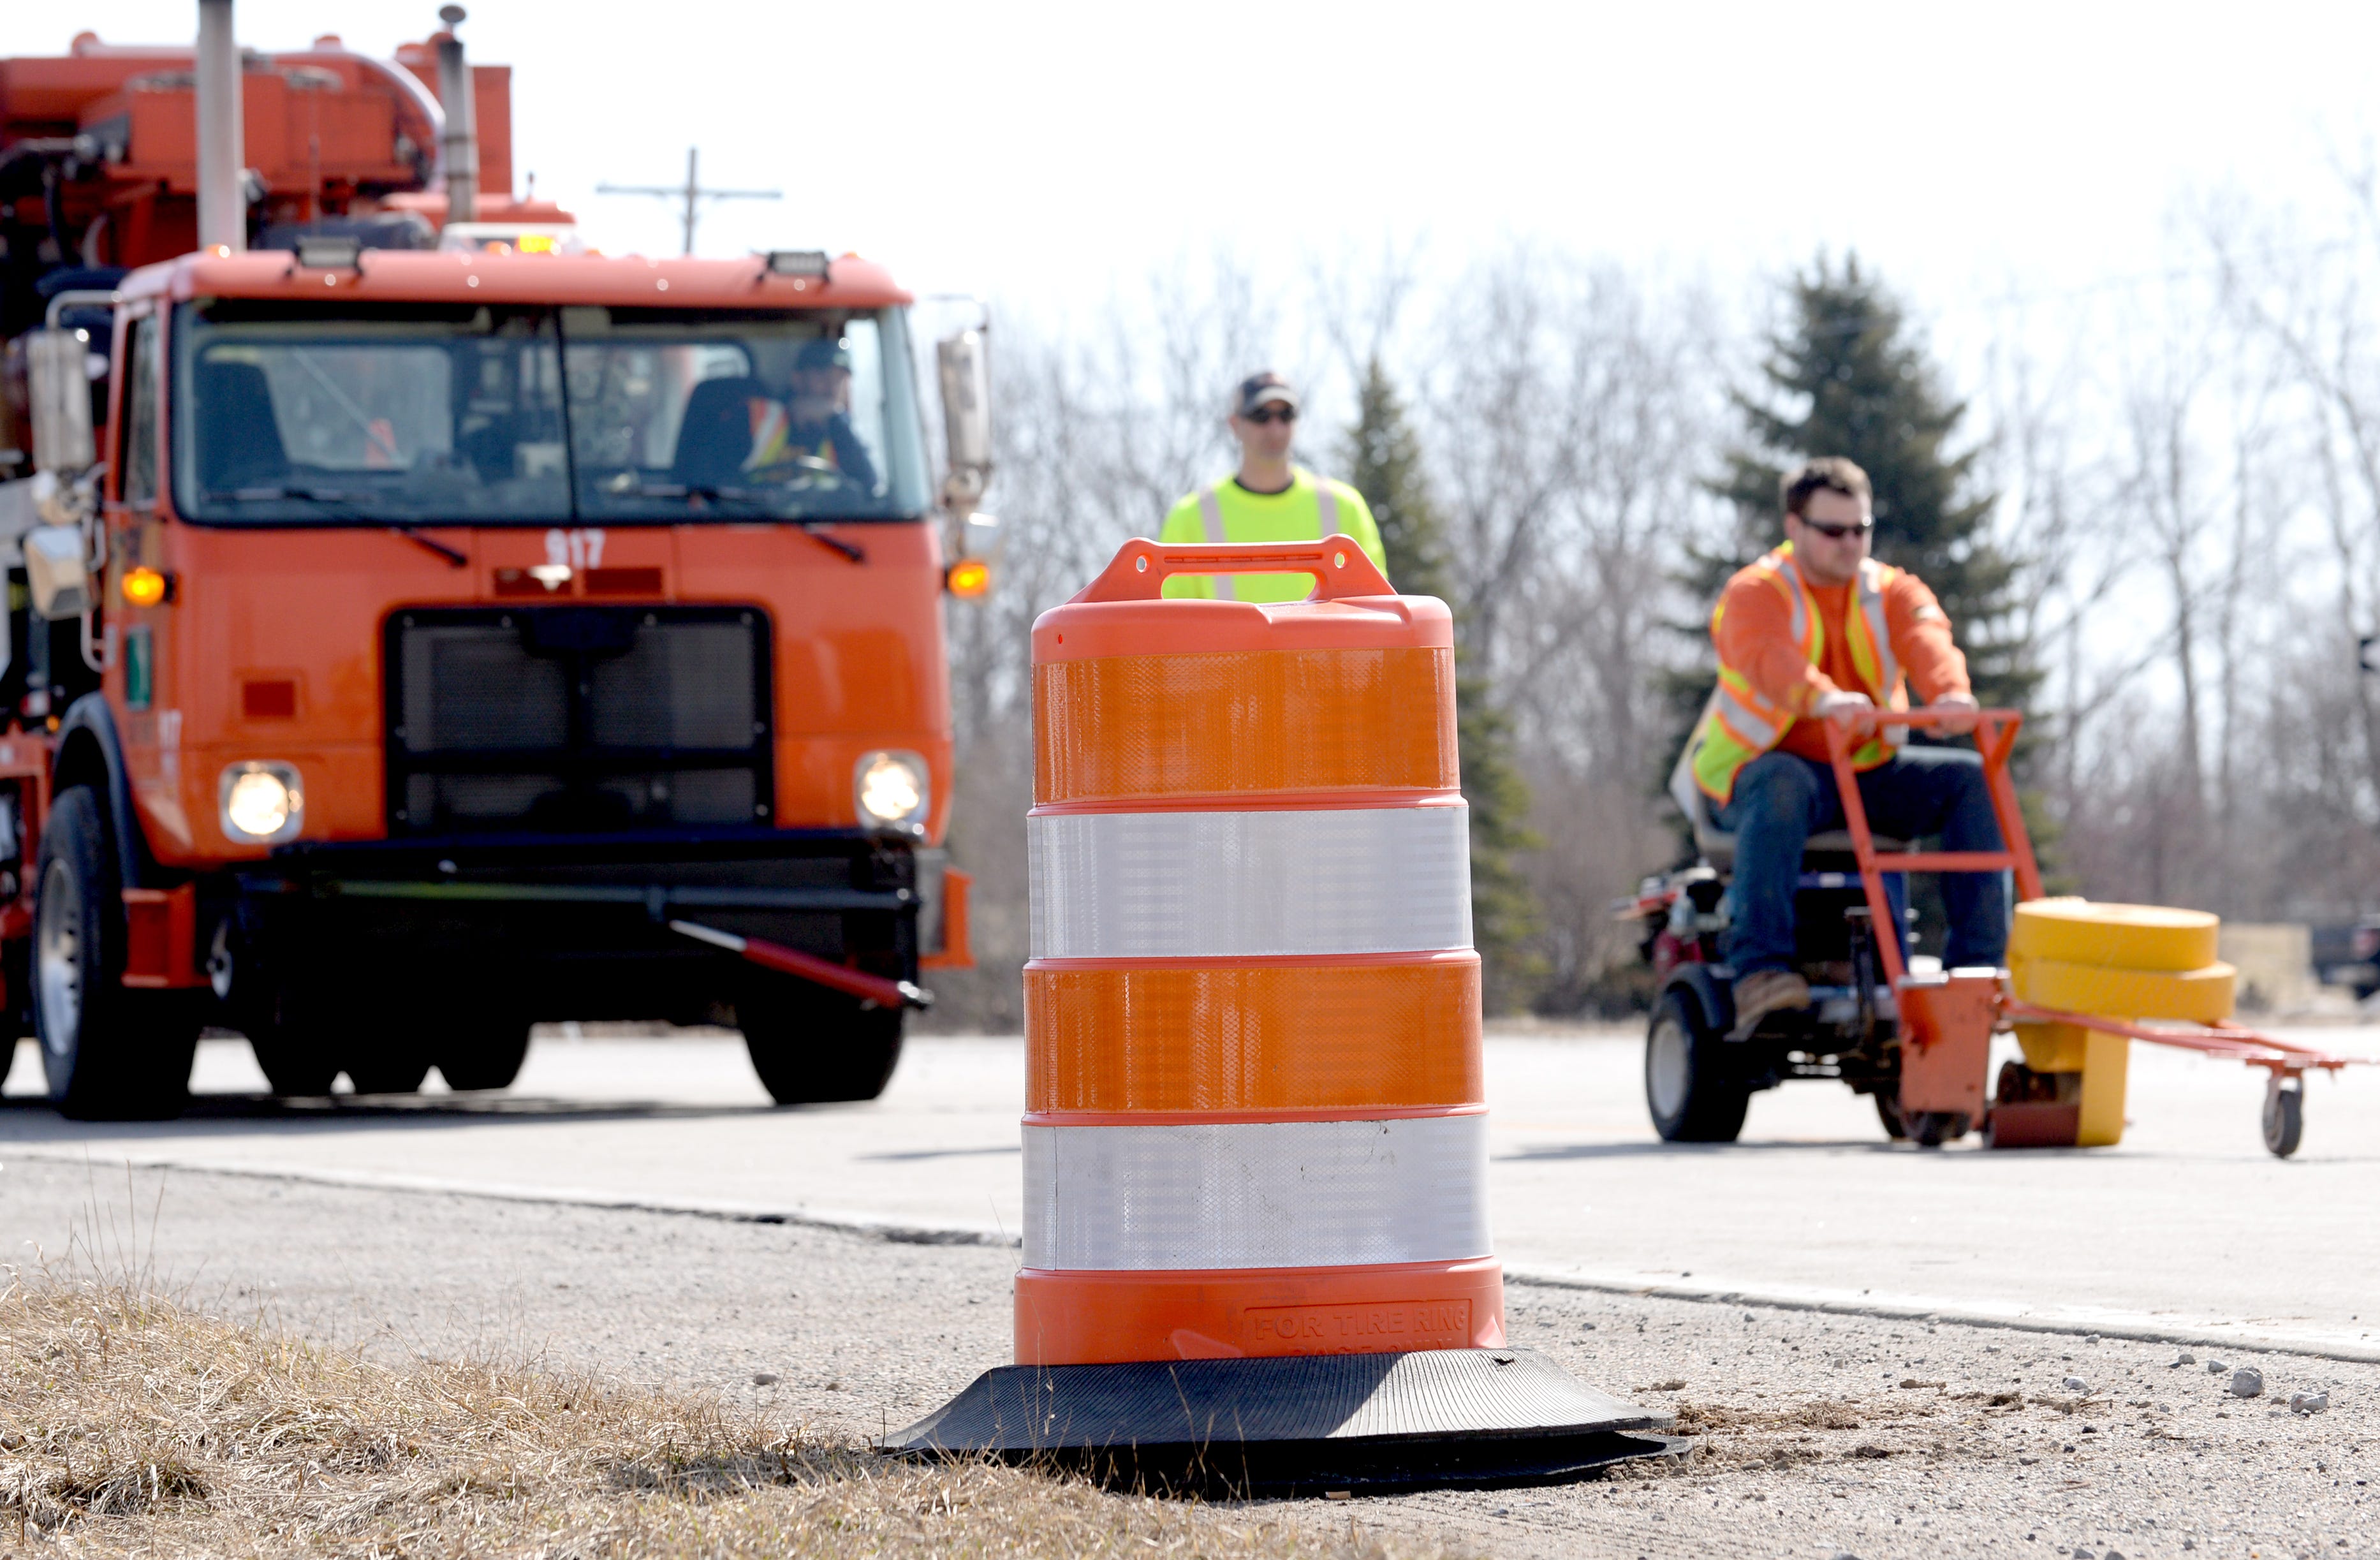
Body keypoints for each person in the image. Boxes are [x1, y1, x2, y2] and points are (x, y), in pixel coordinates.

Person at [1675, 457, 2006, 1033]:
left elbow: (1926, 634)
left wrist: (1950, 693)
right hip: (1762, 777)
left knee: (1969, 779)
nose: (1850, 543)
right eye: (1833, 530)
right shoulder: (1755, 592)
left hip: (1864, 773)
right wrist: (1823, 698)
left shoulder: (1890, 590)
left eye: (1861, 529)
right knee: (1783, 783)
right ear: (1795, 527)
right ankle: (1761, 972)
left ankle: (1977, 975)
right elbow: (1767, 658)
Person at [1157, 371, 1387, 600]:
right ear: (1235, 425)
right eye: (1261, 416)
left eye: (1286, 415)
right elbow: (1171, 616)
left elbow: (1375, 606)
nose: (1275, 428)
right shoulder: (1190, 516)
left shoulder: (1346, 507)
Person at [674, 335, 878, 493]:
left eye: (839, 379)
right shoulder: (754, 417)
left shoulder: (840, 430)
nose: (831, 388)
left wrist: (837, 422)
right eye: (823, 376)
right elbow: (705, 482)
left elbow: (868, 488)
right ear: (798, 379)